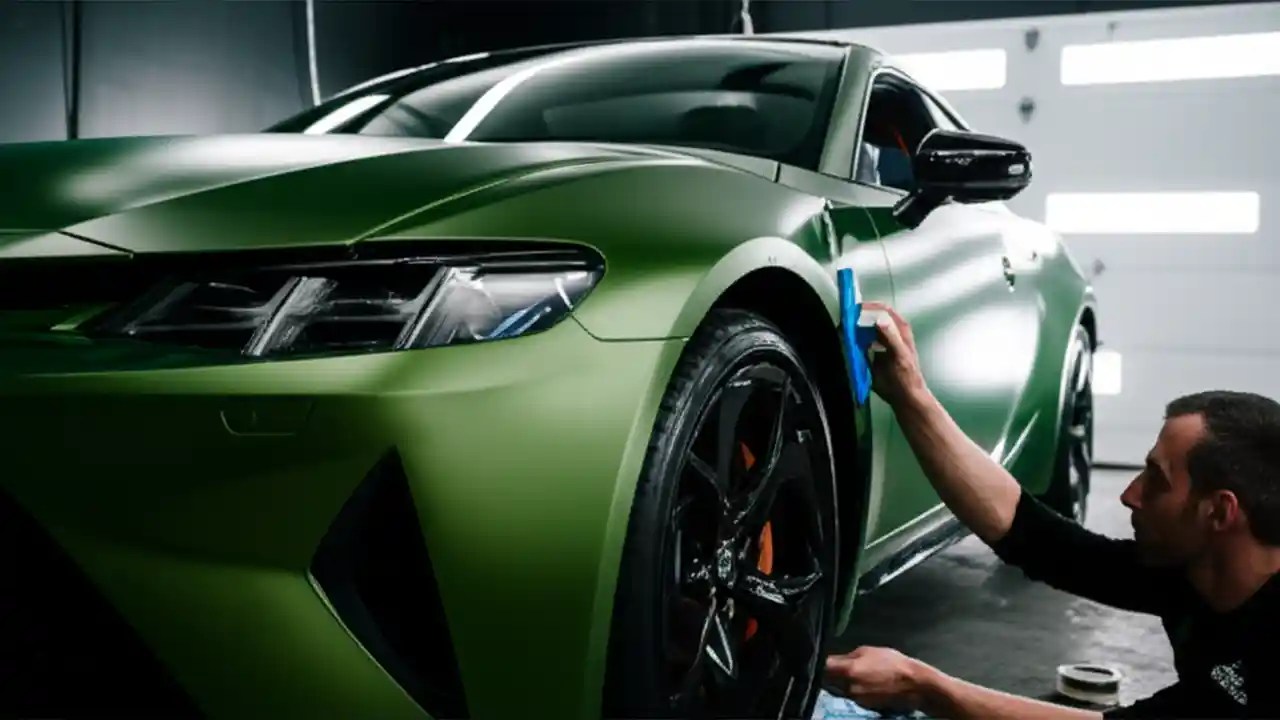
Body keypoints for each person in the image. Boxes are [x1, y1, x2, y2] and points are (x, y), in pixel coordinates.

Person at [822, 302, 1280, 719]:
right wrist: (910, 394)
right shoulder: (1197, 570)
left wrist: (925, 686)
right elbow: (1037, 539)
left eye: (1157, 480)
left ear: (1220, 513)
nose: (1130, 495)